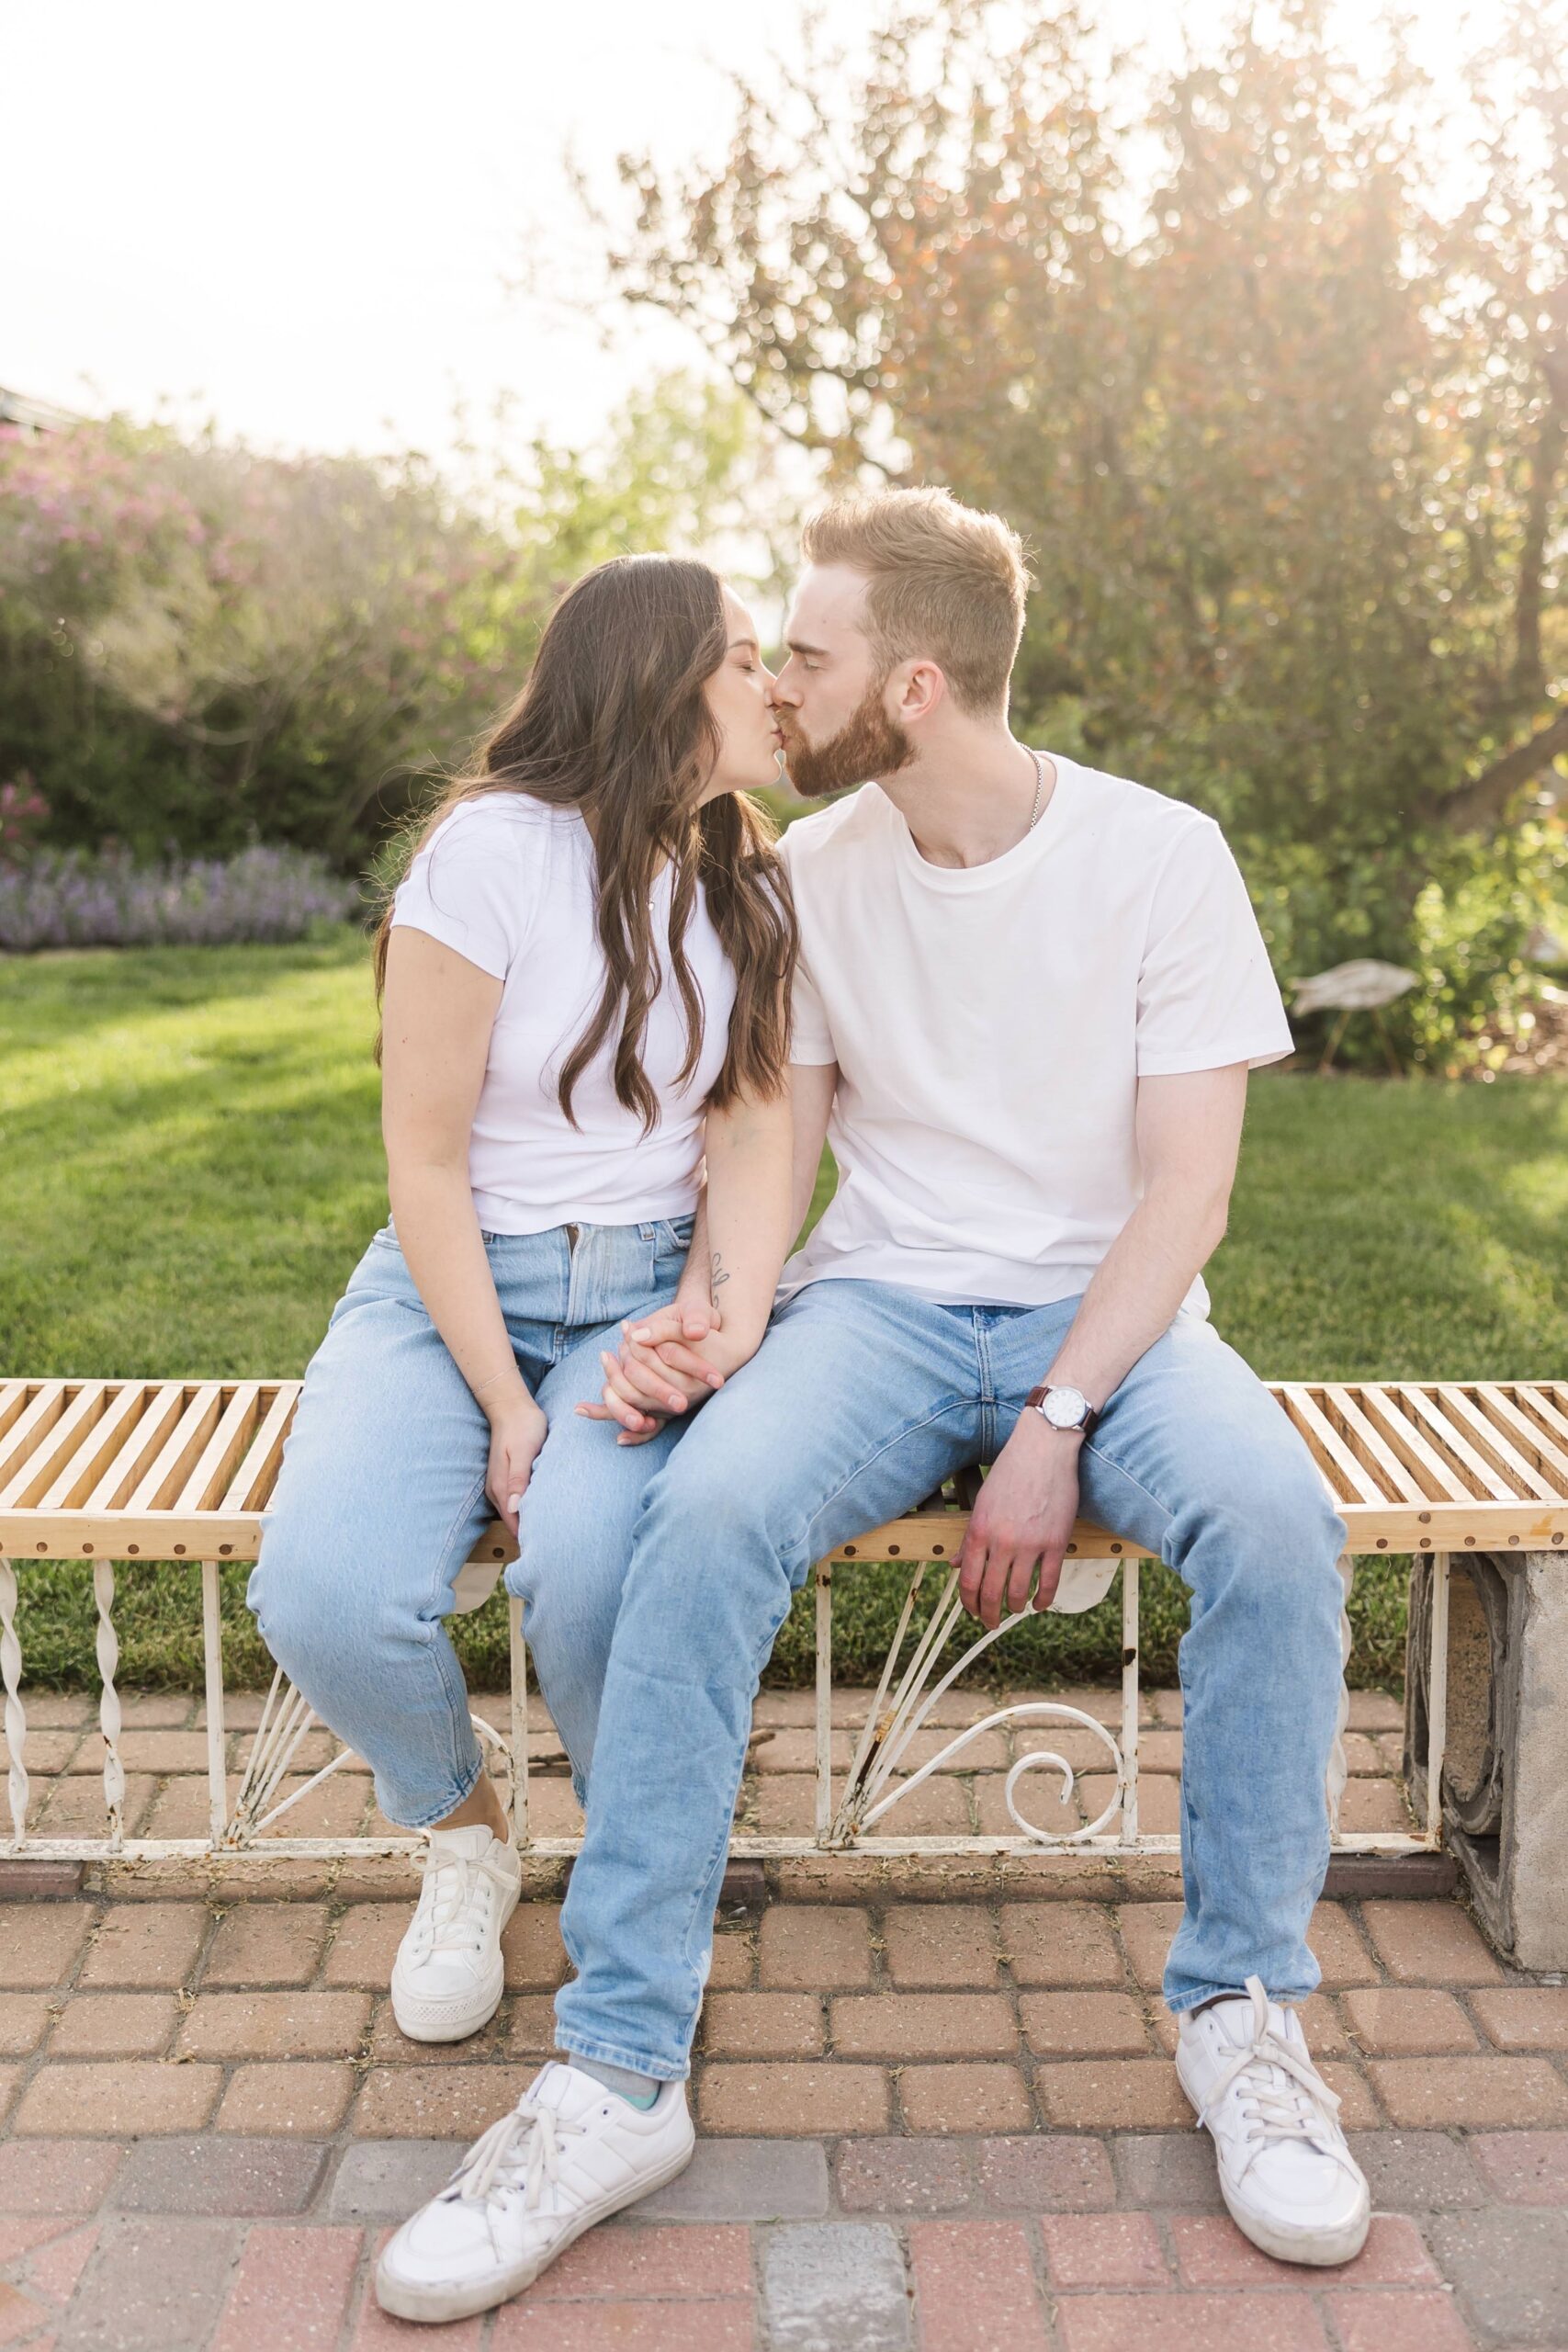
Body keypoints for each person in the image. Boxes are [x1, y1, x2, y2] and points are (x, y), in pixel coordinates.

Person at [377, 487, 1369, 2327]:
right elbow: (777, 1132)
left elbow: (1183, 1195)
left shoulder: (1160, 857)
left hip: (1115, 1319)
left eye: (806, 652)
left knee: (1275, 1525)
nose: (775, 680)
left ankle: (1243, 2015)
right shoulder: (805, 871)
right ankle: (615, 2067)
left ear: (910, 683)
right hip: (882, 1309)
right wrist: (721, 1315)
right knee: (699, 1515)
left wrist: (1060, 1412)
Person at [249, 553, 795, 2064]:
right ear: (657, 681)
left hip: (637, 1297)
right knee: (326, 1596)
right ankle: (469, 1835)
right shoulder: (486, 854)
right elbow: (421, 1158)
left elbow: (750, 1131)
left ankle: (637, 1885)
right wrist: (504, 1403)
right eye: (743, 658)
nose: (774, 685)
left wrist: (712, 1312)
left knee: (599, 1575)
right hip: (451, 1294)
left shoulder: (746, 872)